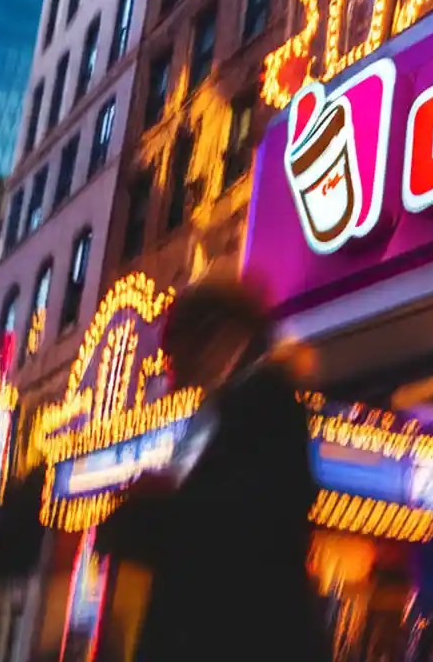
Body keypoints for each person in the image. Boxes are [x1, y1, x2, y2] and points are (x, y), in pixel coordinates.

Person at [95, 275, 328, 662]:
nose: (171, 368)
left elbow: (236, 533)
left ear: (215, 334)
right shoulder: (226, 408)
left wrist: (154, 507)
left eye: (176, 348)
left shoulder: (261, 401)